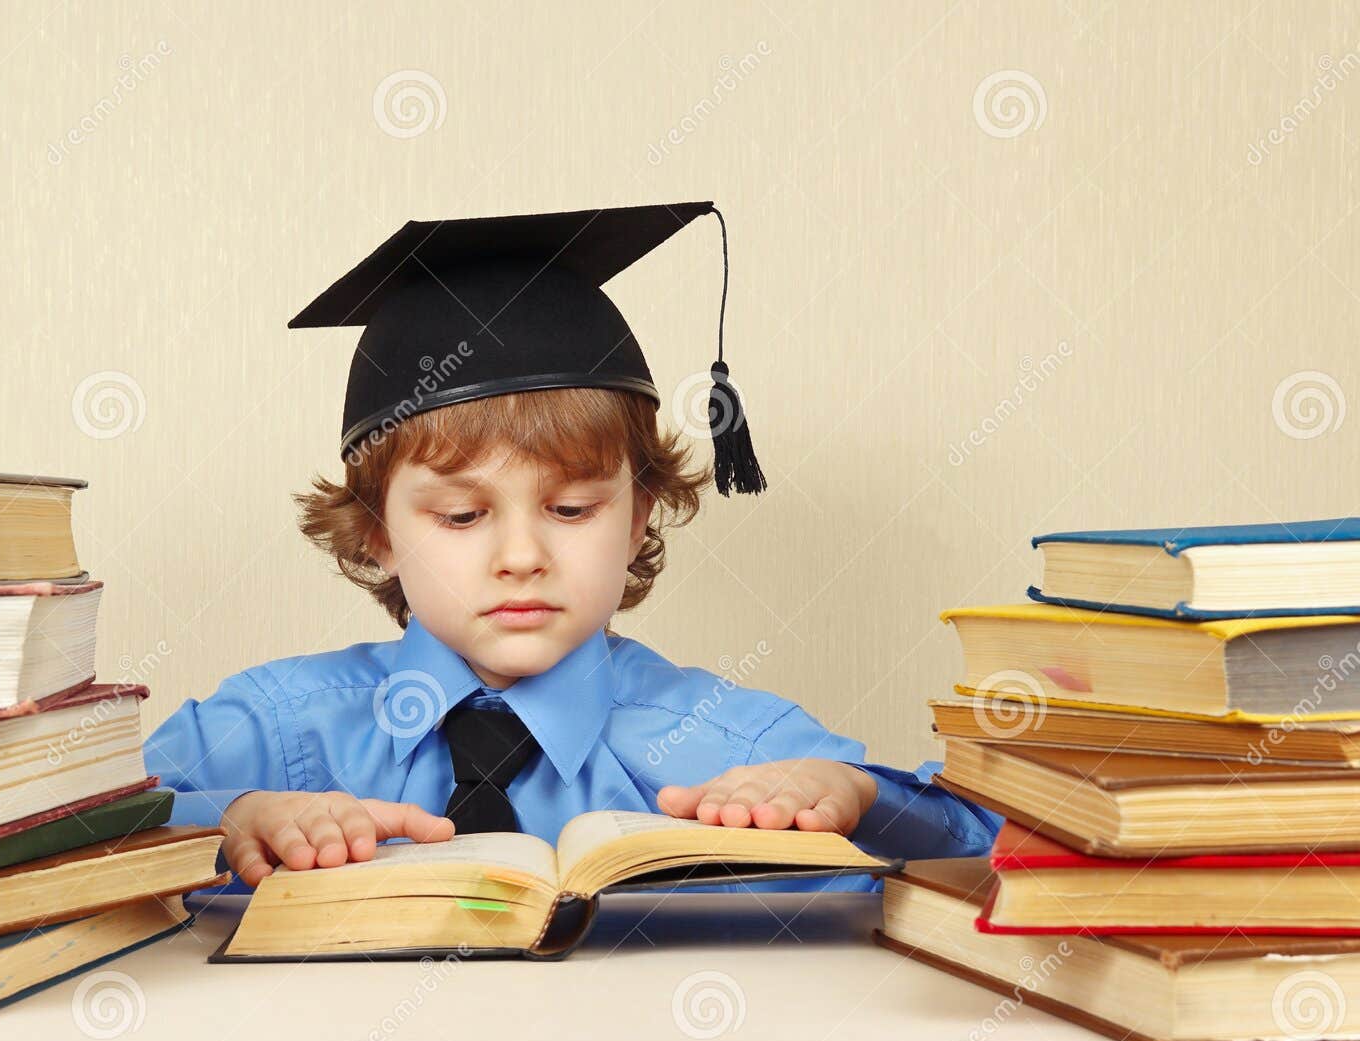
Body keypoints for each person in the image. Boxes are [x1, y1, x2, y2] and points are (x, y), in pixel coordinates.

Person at [143, 201, 999, 893]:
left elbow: (987, 834)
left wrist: (857, 794)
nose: (522, 556)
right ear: (377, 532)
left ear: (636, 519)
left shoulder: (726, 744)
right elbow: (51, 826)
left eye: (572, 507)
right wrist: (228, 818)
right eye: (461, 517)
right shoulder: (277, 727)